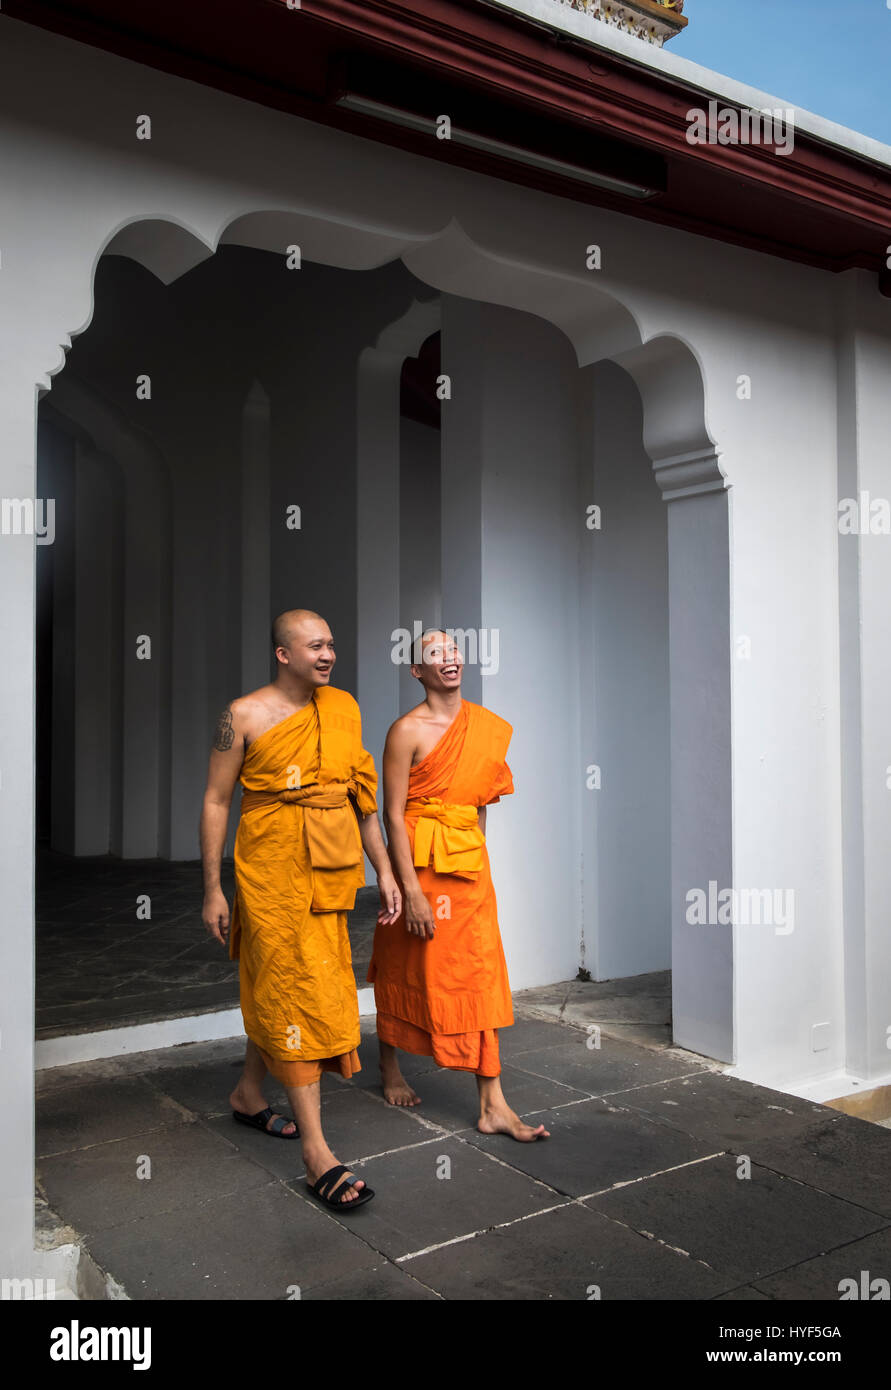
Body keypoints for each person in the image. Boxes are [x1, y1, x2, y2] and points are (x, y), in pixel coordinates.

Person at [200, 609, 401, 1209]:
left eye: (331, 645)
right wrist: (213, 887)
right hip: (269, 873)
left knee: (291, 984)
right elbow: (215, 800)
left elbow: (363, 798)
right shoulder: (241, 715)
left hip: (331, 869)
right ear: (283, 654)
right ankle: (317, 1152)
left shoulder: (343, 709)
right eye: (315, 645)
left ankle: (247, 1095)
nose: (328, 654)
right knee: (296, 990)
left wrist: (386, 870)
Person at [367, 628, 548, 1141]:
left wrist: (477, 866)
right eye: (434, 654)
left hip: (467, 870)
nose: (448, 660)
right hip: (420, 866)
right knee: (406, 960)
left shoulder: (484, 728)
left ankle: (493, 1102)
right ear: (417, 671)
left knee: (479, 972)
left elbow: (478, 809)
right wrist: (411, 889)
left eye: (452, 651)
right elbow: (393, 815)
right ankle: (390, 1065)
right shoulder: (406, 730)